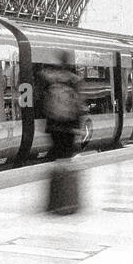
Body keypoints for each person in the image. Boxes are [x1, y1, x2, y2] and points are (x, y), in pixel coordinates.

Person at [41, 56, 86, 215]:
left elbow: (43, 104)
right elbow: (79, 106)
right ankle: (68, 201)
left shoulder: (49, 79)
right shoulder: (74, 81)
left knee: (57, 160)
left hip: (54, 127)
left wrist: (48, 126)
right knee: (67, 159)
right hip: (69, 127)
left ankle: (55, 202)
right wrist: (78, 128)